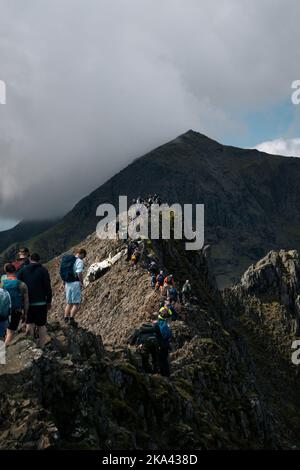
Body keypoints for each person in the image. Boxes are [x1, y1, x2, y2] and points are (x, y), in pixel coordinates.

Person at [18, 253, 52, 348]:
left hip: (27, 303)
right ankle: (41, 346)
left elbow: (18, 285)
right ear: (39, 260)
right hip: (41, 303)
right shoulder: (43, 270)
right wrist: (49, 301)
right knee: (41, 325)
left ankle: (32, 346)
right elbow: (47, 287)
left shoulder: (23, 270)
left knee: (29, 323)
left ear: (29, 259)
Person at [1, 263, 29, 346]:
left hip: (3, 311)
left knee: (5, 332)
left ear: (6, 271)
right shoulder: (22, 284)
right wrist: (25, 314)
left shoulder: (2, 284)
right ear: (15, 270)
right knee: (10, 332)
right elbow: (26, 301)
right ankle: (4, 350)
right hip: (16, 311)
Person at [61, 248, 87, 326]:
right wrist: (82, 283)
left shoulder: (68, 261)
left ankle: (66, 319)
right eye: (84, 256)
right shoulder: (79, 261)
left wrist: (63, 282)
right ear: (82, 254)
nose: (83, 258)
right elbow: (79, 272)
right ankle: (71, 319)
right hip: (75, 283)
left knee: (69, 303)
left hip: (67, 283)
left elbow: (65, 273)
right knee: (76, 303)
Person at [154, 310, 172, 377]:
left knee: (161, 361)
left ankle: (164, 375)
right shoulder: (164, 323)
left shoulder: (158, 324)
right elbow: (169, 334)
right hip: (165, 345)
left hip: (161, 346)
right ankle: (167, 375)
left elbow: (162, 335)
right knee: (165, 360)